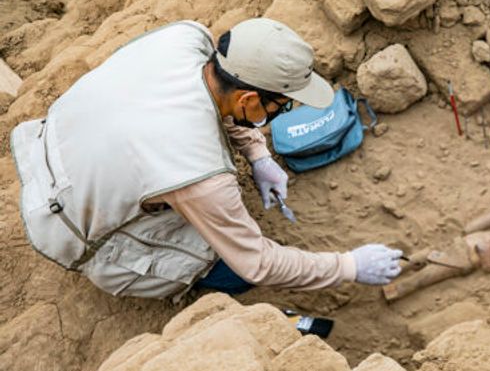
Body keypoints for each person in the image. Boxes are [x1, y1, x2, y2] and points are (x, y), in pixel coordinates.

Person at [11, 18, 402, 300]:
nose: (279, 114)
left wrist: (257, 153)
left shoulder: (186, 37)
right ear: (249, 99)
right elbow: (258, 264)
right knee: (234, 273)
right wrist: (348, 266)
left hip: (56, 148)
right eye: (280, 107)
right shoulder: (200, 174)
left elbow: (211, 99)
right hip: (68, 228)